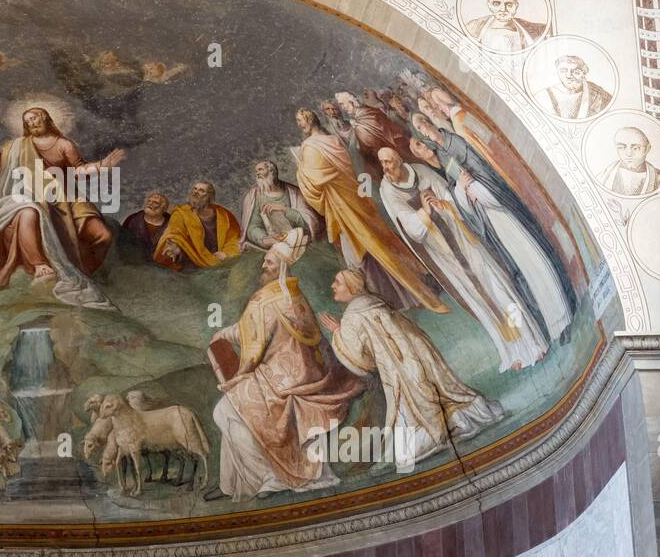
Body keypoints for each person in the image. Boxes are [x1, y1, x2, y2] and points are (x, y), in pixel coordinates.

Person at [205, 231, 363, 501]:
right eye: (265, 262)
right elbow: (253, 330)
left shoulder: (264, 299)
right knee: (230, 410)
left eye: (269, 263)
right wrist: (230, 333)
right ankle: (237, 483)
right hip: (308, 375)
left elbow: (252, 340)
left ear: (282, 268)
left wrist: (225, 339)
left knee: (224, 411)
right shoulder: (293, 295)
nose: (263, 267)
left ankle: (271, 476)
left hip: (281, 381)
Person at [377, 147, 547, 372]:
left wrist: (447, 201)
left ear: (398, 159)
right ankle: (512, 351)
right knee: (481, 301)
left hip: (463, 241)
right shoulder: (387, 190)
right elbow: (410, 227)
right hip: (444, 255)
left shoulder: (421, 172)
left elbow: (450, 198)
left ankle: (531, 342)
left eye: (389, 162)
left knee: (498, 289)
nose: (386, 168)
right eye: (382, 164)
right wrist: (425, 213)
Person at [320, 269, 505, 473]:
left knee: (412, 399)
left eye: (337, 282)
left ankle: (426, 436)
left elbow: (360, 361)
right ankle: (454, 418)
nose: (333, 286)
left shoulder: (352, 317)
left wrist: (337, 333)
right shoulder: (374, 302)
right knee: (434, 386)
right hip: (418, 349)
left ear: (352, 287)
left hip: (396, 366)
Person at [0, 106, 118, 306]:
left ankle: (80, 272)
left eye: (35, 118)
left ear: (46, 119)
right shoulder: (14, 148)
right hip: (30, 197)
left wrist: (101, 165)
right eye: (28, 121)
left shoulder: (64, 144)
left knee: (103, 236)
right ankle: (40, 265)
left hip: (66, 200)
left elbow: (80, 169)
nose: (32, 123)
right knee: (28, 211)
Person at [409, 122, 574, 346]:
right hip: (492, 223)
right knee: (525, 271)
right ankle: (555, 325)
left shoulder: (456, 145)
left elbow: (485, 177)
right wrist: (464, 191)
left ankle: (563, 315)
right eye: (418, 144)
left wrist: (472, 189)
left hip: (503, 216)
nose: (424, 136)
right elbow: (461, 194)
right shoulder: (446, 163)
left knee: (534, 261)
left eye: (423, 128)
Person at [293, 108, 445, 313]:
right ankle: (398, 296)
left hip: (347, 202)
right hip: (351, 200)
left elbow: (315, 182)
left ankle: (416, 287)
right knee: (368, 249)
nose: (300, 125)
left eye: (301, 120)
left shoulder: (312, 146)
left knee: (373, 247)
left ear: (310, 120)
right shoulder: (330, 140)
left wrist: (301, 173)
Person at [154, 181, 241, 270]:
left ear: (209, 196)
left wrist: (226, 254)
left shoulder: (224, 215)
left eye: (201, 190)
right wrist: (175, 245)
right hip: (193, 261)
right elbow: (174, 233)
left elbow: (233, 239)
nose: (196, 192)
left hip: (219, 260)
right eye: (195, 189)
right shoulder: (181, 213)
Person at [238, 160, 320, 252]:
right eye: (256, 171)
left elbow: (309, 223)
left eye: (260, 170)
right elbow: (252, 226)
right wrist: (264, 239)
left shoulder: (294, 193)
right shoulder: (254, 196)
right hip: (269, 247)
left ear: (271, 171)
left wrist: (285, 209)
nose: (257, 173)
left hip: (297, 244)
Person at [464, 0, 545, 53]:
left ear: (516, 6)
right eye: (496, 4)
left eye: (509, 5)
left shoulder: (531, 28)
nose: (503, 9)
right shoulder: (474, 27)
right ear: (489, 5)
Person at [535, 54, 612, 120]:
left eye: (576, 72)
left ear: (584, 73)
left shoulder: (598, 94)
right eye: (563, 71)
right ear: (557, 72)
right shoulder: (542, 96)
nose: (568, 76)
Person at [598, 126, 660, 196]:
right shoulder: (604, 175)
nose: (628, 154)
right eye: (621, 148)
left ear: (647, 149)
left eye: (635, 148)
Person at [121, 192, 171, 262]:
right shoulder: (132, 220)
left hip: (162, 266)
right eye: (149, 201)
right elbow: (122, 243)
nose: (150, 204)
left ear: (163, 208)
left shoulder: (172, 224)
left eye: (155, 203)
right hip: (136, 263)